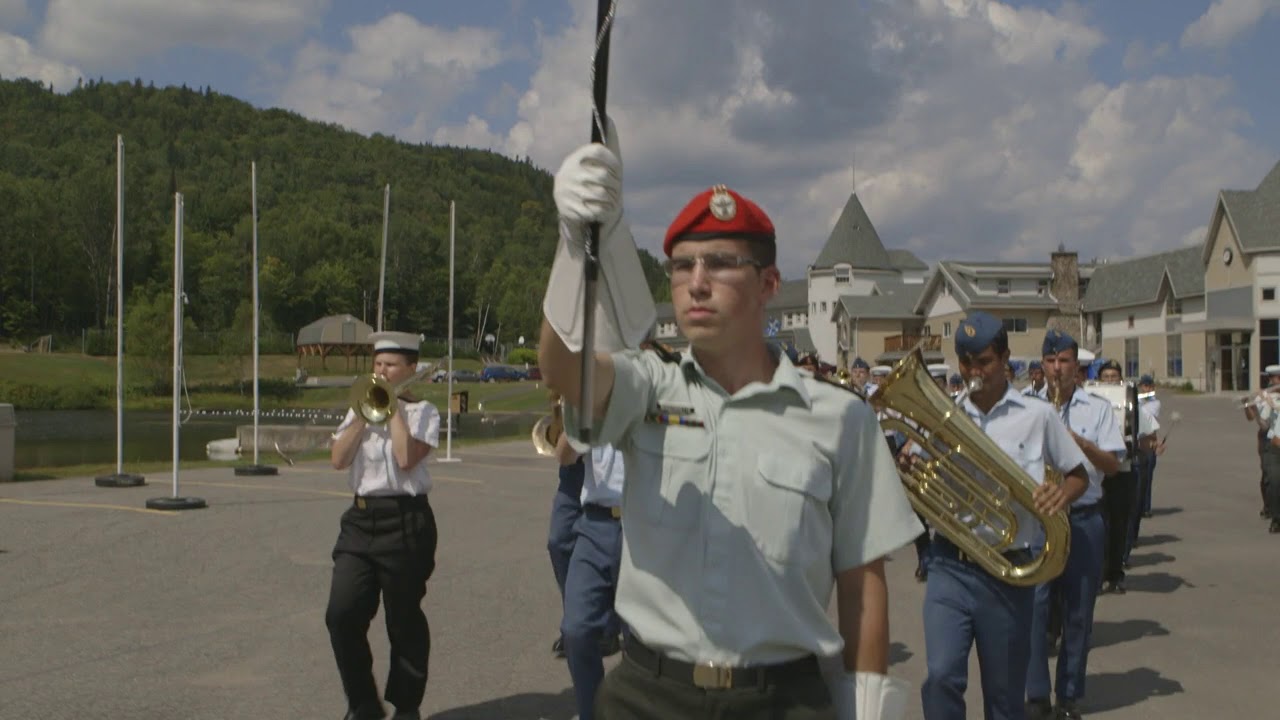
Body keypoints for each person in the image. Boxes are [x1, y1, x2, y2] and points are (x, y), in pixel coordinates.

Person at [540, 129, 921, 720]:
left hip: (783, 700)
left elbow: (862, 583)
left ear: (769, 284)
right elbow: (565, 370)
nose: (696, 282)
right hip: (649, 696)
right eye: (682, 265)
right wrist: (572, 244)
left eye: (721, 264)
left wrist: (868, 710)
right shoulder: (649, 387)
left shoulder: (840, 418)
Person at [917, 312, 1089, 720]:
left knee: (1005, 698)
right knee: (940, 676)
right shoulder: (945, 415)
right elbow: (920, 482)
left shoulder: (1037, 416)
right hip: (949, 564)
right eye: (966, 362)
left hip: (1008, 572)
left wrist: (1058, 496)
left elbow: (1079, 475)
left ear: (1005, 359)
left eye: (984, 362)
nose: (974, 372)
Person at [327, 331, 441, 720]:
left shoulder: (424, 411)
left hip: (406, 521)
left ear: (411, 369)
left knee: (403, 617)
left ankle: (407, 705)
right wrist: (362, 416)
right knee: (341, 613)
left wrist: (392, 410)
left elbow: (407, 457)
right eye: (377, 364)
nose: (381, 371)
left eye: (390, 365)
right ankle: (363, 703)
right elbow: (338, 459)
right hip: (360, 521)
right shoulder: (359, 408)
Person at [1024, 332, 1126, 720]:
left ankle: (1068, 695)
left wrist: (1077, 442)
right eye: (1050, 361)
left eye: (1064, 361)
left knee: (1079, 612)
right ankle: (1035, 694)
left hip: (1083, 517)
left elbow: (1114, 465)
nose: (1056, 369)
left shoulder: (1096, 408)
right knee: (1034, 607)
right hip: (1039, 519)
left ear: (1076, 366)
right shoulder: (1026, 405)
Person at [558, 439, 627, 720]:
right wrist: (577, 428)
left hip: (640, 523)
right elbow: (563, 457)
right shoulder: (590, 404)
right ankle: (593, 712)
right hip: (594, 523)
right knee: (575, 630)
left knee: (642, 643)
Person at [1094, 361, 1159, 595]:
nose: (1110, 380)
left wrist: (1149, 446)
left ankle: (1115, 573)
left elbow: (1149, 435)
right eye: (1106, 376)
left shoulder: (1132, 404)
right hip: (1096, 473)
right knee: (1099, 525)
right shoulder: (1091, 402)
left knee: (1120, 523)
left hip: (1123, 470)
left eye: (1114, 376)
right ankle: (1098, 573)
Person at [547, 432, 586, 659]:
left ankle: (605, 628)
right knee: (558, 542)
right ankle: (573, 622)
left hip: (614, 472)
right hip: (574, 474)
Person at [1134, 374, 1162, 520]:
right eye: (1143, 386)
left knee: (1147, 478)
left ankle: (1146, 507)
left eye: (1147, 386)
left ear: (1152, 387)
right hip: (1138, 443)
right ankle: (1139, 506)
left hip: (1150, 442)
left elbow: (1146, 414)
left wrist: (1139, 401)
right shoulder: (1138, 401)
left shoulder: (1154, 403)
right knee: (1138, 479)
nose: (1145, 388)